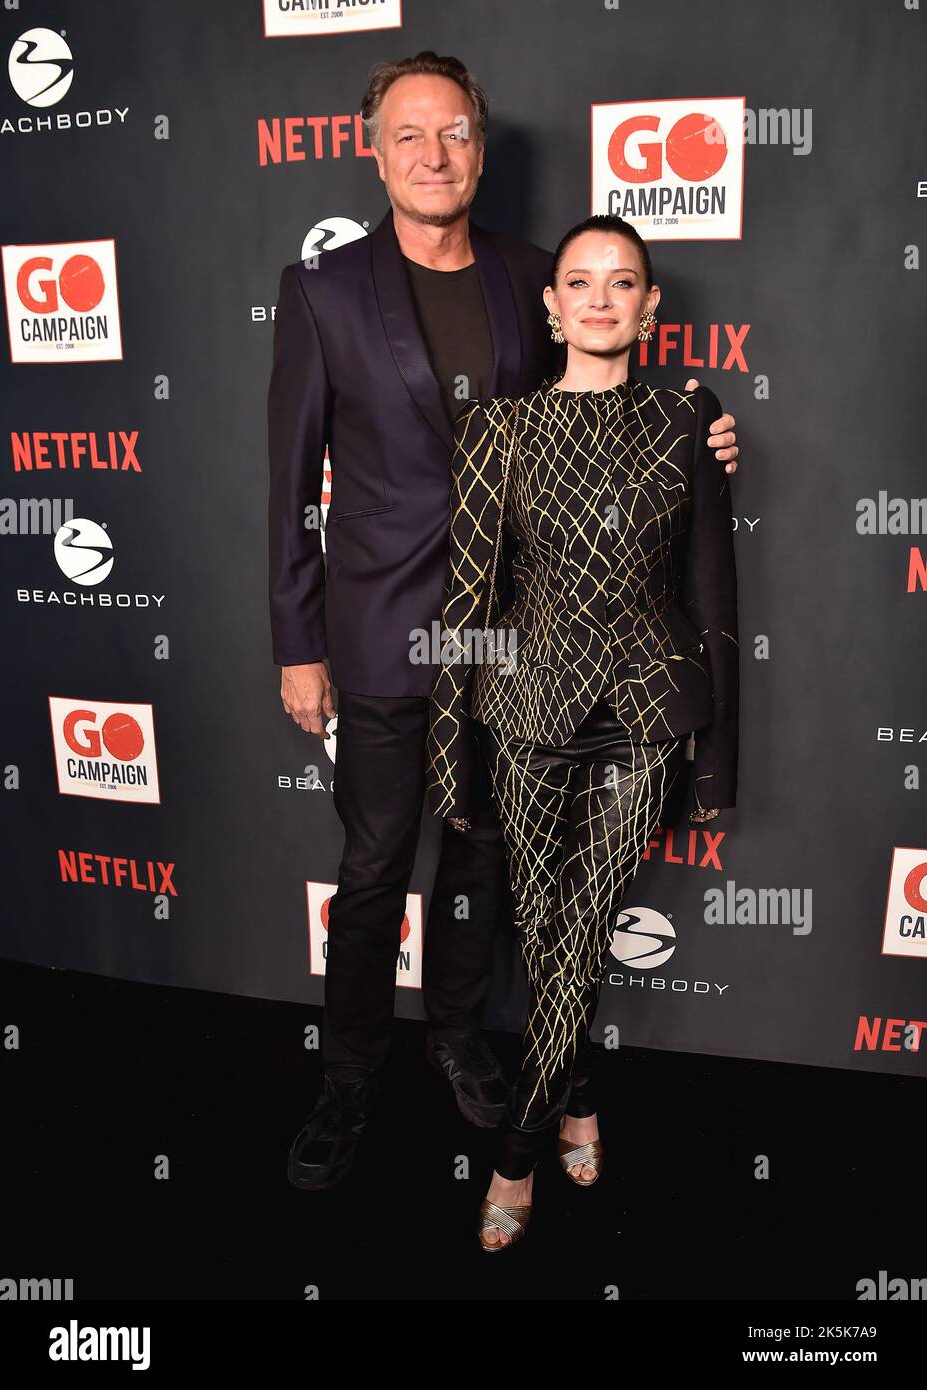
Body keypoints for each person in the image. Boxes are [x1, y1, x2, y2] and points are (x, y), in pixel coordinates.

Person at [268, 51, 740, 1193]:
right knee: (377, 862)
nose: (435, 156)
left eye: (456, 134)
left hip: (513, 640)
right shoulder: (323, 290)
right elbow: (288, 482)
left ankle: (457, 1036)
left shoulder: (534, 273)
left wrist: (705, 429)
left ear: (480, 145)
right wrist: (298, 640)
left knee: (480, 856)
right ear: (372, 150)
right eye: (410, 135)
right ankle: (349, 1079)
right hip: (385, 629)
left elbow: (602, 401)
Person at [425, 212, 740, 1249]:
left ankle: (513, 1156)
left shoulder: (687, 420)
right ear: (552, 306)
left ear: (651, 308)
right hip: (523, 714)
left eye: (623, 282)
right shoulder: (498, 431)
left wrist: (718, 759)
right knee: (550, 929)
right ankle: (579, 1091)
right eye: (580, 282)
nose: (600, 298)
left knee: (585, 916)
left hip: (645, 718)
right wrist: (450, 758)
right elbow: (467, 601)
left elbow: (709, 592)